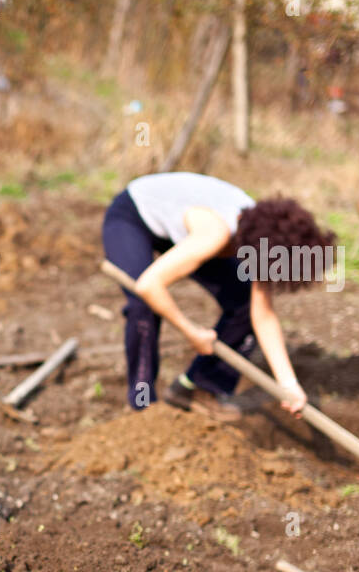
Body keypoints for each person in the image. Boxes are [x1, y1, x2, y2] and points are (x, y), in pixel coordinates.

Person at [101, 171, 336, 421]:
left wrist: (288, 384)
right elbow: (149, 285)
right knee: (143, 308)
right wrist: (190, 331)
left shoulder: (264, 237)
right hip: (134, 215)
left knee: (244, 303)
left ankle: (198, 388)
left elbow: (263, 315)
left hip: (185, 227)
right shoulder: (216, 233)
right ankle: (142, 405)